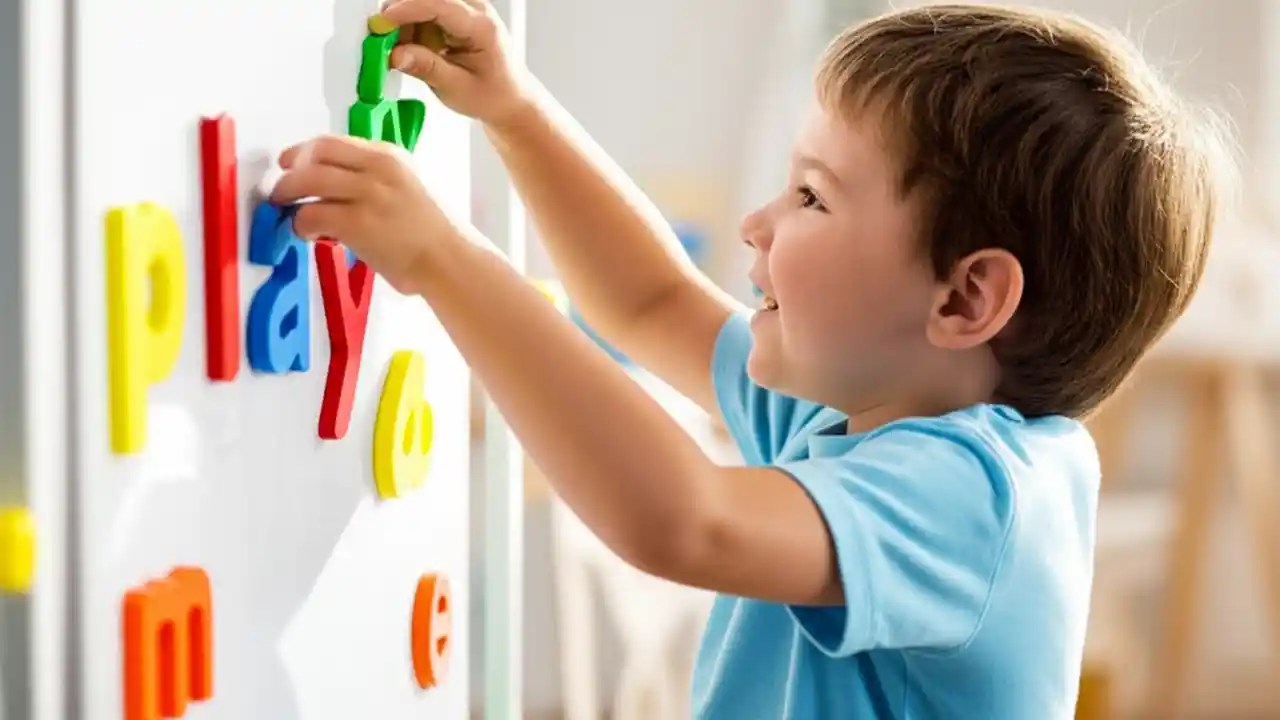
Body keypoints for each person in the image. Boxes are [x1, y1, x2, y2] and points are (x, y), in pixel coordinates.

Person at [270, 1, 1235, 716]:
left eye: (811, 198)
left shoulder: (976, 497)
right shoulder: (856, 411)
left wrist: (448, 261)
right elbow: (649, 302)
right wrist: (515, 112)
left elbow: (682, 521)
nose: (759, 225)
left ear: (963, 297)